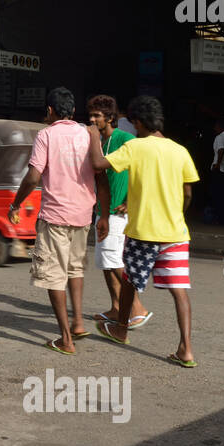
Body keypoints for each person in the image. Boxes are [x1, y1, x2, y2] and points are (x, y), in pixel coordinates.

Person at [86, 95, 201, 368]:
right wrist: (177, 215)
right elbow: (187, 192)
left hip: (142, 232)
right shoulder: (180, 150)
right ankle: (186, 349)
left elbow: (98, 165)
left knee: (129, 281)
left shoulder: (136, 147)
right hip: (175, 233)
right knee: (180, 291)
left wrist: (92, 136)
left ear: (137, 122)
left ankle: (121, 329)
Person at [11, 87, 103, 356]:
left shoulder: (46, 135)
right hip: (83, 214)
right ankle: (77, 323)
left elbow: (33, 176)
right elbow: (99, 171)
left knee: (53, 275)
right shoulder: (87, 133)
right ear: (73, 112)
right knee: (75, 269)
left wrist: (16, 203)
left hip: (56, 216)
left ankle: (65, 339)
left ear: (49, 111)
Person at [86, 94, 150, 328]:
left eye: (97, 116)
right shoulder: (98, 142)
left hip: (117, 212)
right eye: (91, 115)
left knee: (114, 261)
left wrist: (131, 201)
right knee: (104, 263)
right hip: (102, 210)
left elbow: (143, 171)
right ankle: (116, 307)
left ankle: (137, 308)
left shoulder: (125, 138)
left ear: (110, 118)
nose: (92, 120)